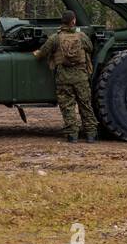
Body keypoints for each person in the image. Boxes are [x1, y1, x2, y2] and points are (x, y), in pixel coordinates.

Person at [33, 9, 98, 143]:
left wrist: (36, 53)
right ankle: (91, 134)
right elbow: (90, 48)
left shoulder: (55, 38)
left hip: (64, 77)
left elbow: (42, 53)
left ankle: (72, 135)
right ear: (73, 21)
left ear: (62, 22)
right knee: (85, 104)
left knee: (67, 106)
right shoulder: (82, 36)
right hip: (81, 77)